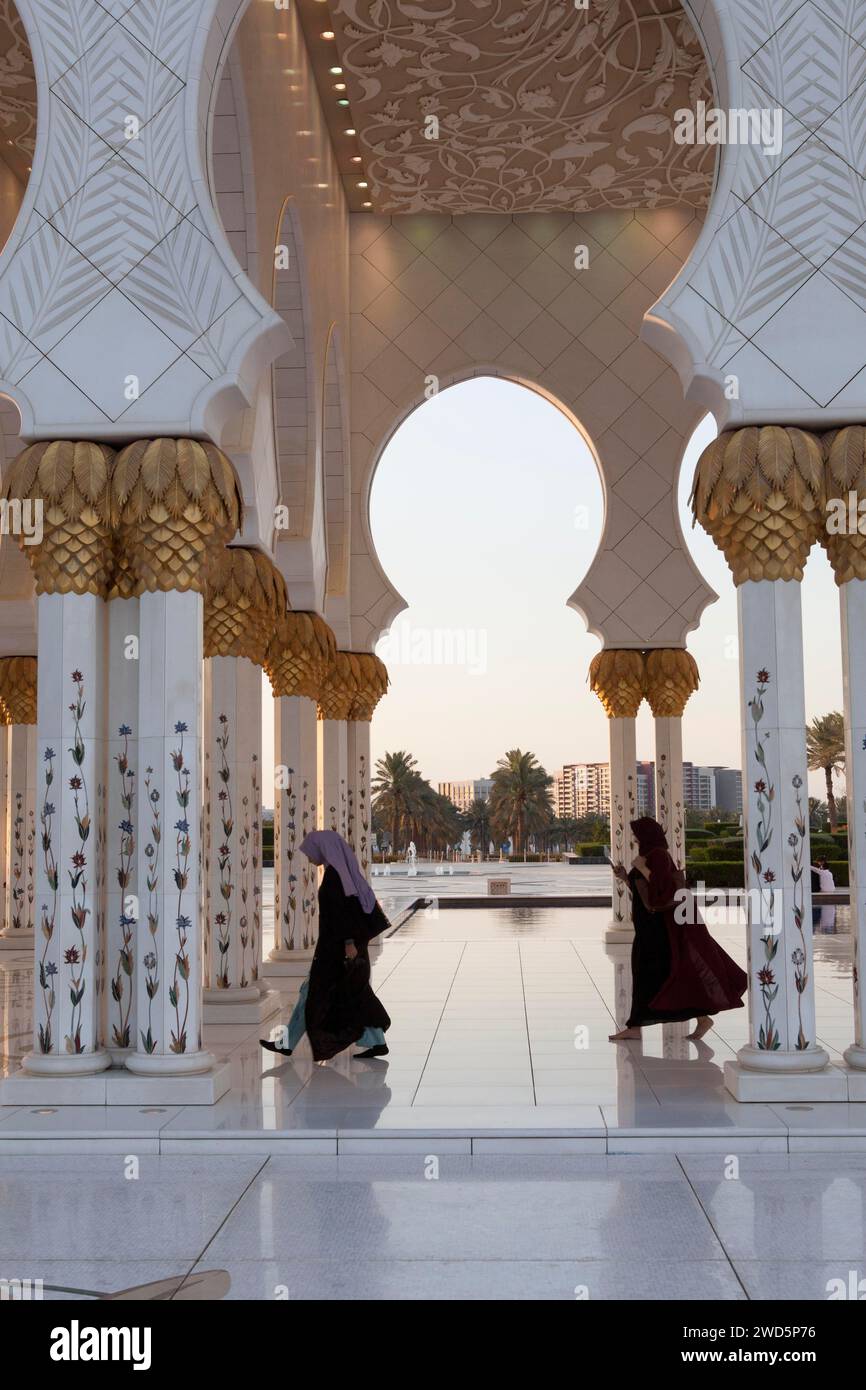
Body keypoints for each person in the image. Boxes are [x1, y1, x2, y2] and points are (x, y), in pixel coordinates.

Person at [609, 816, 748, 1043]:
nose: (634, 838)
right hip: (649, 927)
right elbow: (646, 896)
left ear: (646, 835)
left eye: (636, 834)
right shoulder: (649, 856)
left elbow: (663, 891)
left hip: (660, 929)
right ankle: (700, 1018)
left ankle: (636, 1027)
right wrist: (626, 877)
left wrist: (642, 868)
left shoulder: (657, 856)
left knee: (652, 974)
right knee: (665, 975)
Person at [260, 830, 392, 1063]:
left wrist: (349, 943)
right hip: (337, 946)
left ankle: (287, 1043)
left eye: (311, 851)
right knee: (346, 992)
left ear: (324, 849)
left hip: (338, 948)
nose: (310, 856)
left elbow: (343, 914)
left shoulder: (336, 878)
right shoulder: (339, 874)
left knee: (318, 993)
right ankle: (376, 1041)